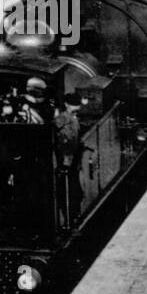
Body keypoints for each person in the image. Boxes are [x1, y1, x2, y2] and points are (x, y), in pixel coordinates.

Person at [53, 92, 84, 221]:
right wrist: (66, 160)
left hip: (73, 158)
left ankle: (72, 214)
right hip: (67, 158)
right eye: (73, 105)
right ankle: (69, 216)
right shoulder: (62, 119)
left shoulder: (74, 117)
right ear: (66, 104)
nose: (76, 108)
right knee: (70, 189)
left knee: (75, 188)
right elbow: (63, 140)